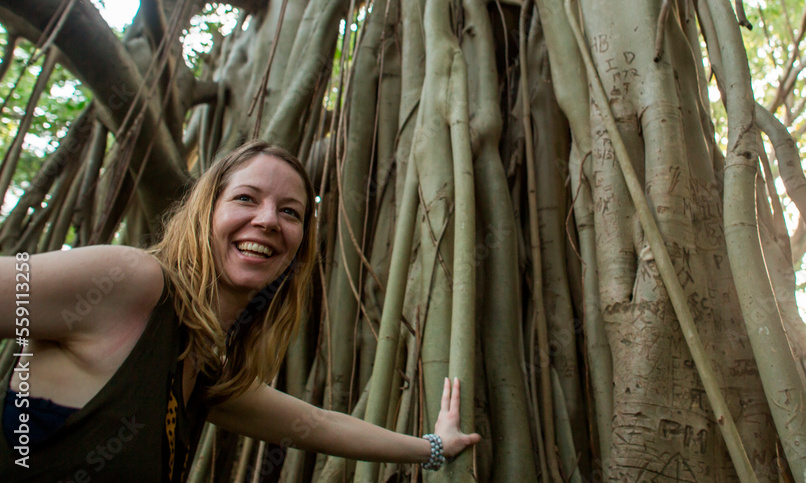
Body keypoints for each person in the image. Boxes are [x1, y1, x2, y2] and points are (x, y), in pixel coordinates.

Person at [0, 141, 479, 481]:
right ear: (206, 210)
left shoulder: (207, 378)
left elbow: (320, 425)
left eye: (290, 212)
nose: (268, 220)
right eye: (246, 198)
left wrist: (436, 447)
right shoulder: (130, 284)